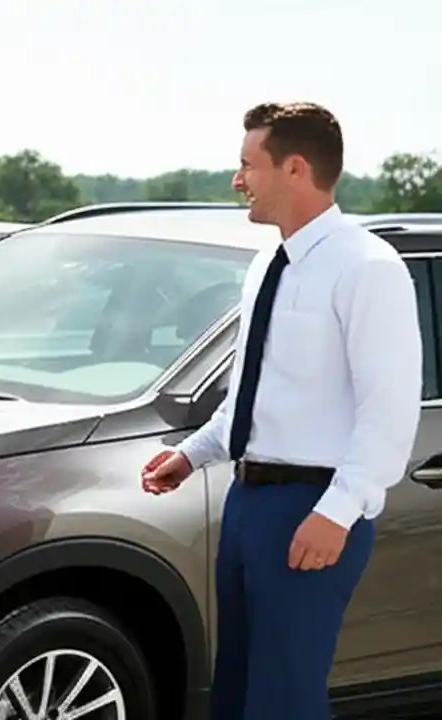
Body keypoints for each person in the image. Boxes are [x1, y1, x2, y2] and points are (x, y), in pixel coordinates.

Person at [140, 102, 423, 720]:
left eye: (248, 164)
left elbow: (390, 412)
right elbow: (253, 395)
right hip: (248, 506)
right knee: (237, 697)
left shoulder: (368, 267)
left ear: (294, 168)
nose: (238, 179)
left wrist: (339, 512)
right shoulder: (270, 263)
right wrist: (193, 455)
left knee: (283, 703)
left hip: (312, 510)